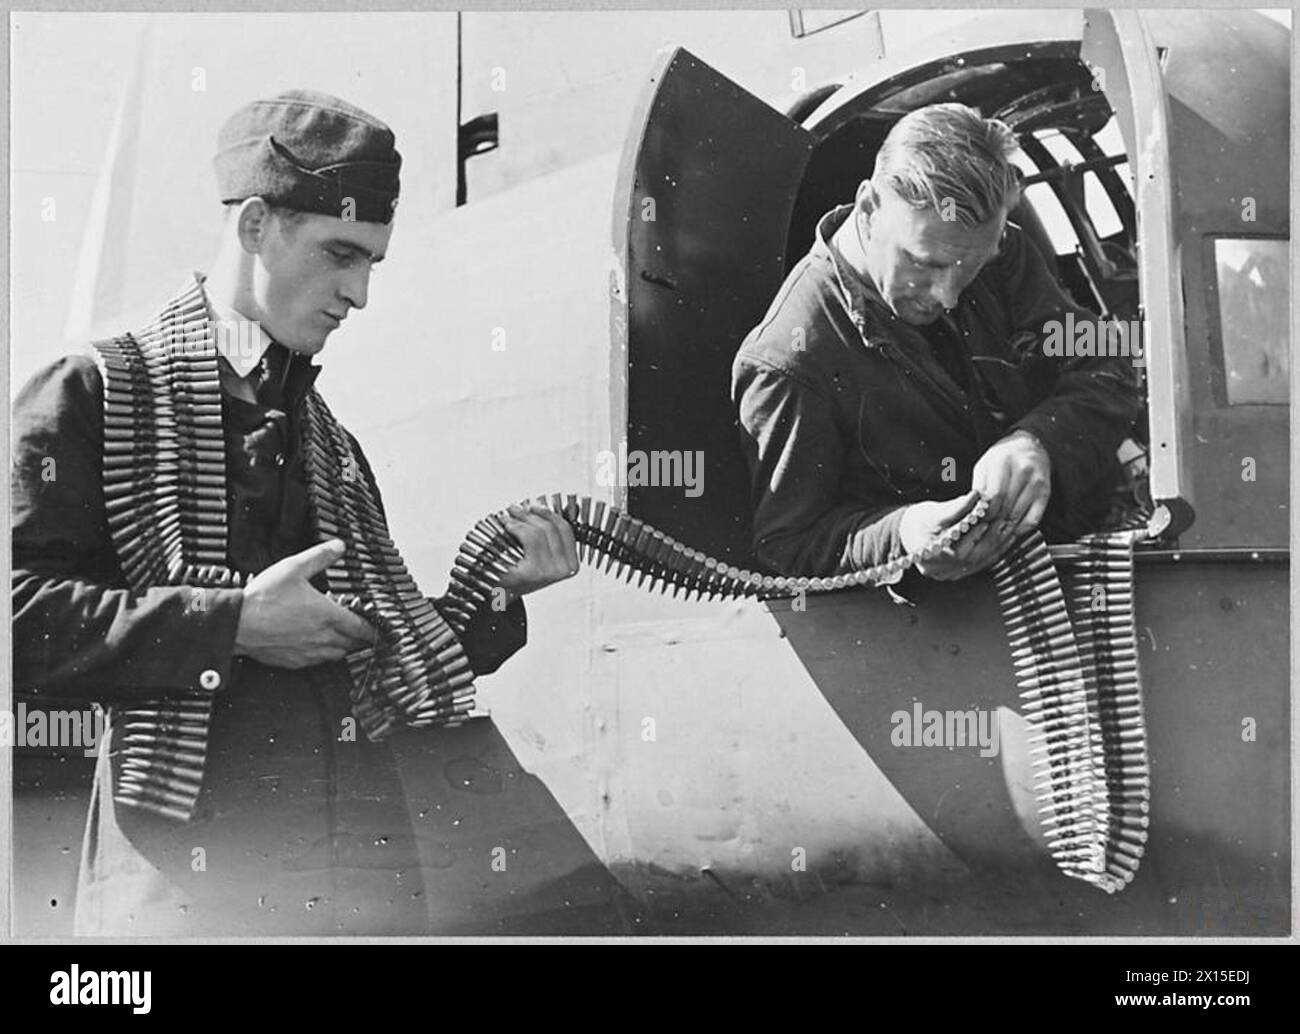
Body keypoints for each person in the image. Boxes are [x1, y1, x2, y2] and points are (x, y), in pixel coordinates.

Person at [11, 90, 580, 935]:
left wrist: (498, 591)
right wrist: (229, 625)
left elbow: (380, 659)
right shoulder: (94, 393)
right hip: (188, 890)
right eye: (340, 254)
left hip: (358, 886)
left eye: (371, 265)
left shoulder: (328, 440)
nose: (357, 294)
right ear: (252, 226)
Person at [731, 103, 1143, 583]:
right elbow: (788, 546)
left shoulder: (1000, 255)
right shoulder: (790, 360)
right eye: (925, 264)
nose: (947, 295)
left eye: (968, 268)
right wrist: (902, 535)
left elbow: (1105, 359)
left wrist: (1040, 441)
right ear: (868, 209)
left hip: (1079, 558)